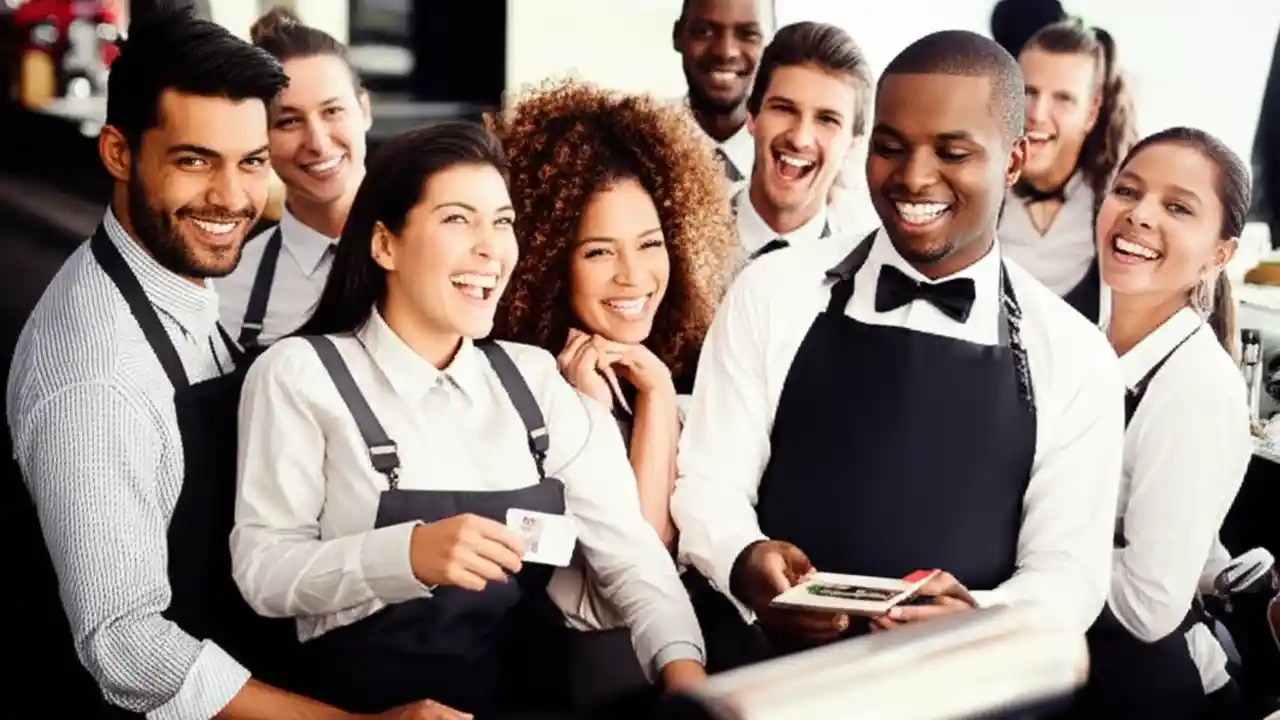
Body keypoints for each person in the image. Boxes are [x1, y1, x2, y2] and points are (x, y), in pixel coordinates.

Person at [671, 30, 1124, 670]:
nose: (913, 177)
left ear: (1013, 160)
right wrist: (743, 560)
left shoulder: (1076, 355)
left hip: (962, 690)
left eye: (953, 153)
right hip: (771, 679)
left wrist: (980, 620)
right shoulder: (772, 291)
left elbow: (1070, 572)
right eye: (889, 148)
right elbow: (709, 481)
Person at [231, 121, 707, 718]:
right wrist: (406, 554)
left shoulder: (534, 381)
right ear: (384, 245)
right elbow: (263, 573)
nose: (491, 249)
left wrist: (686, 675)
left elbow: (632, 555)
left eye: (502, 222)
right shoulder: (300, 375)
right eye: (458, 219)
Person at [3, 8, 396, 718]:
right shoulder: (99, 378)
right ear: (119, 153)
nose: (232, 198)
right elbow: (126, 646)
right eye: (194, 161)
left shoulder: (178, 283)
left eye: (251, 162)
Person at [492, 79, 734, 547]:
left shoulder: (694, 371)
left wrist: (658, 392)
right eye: (600, 252)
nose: (633, 275)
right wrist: (595, 415)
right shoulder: (516, 389)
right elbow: (635, 553)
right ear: (549, 264)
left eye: (650, 244)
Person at [1071, 127, 1252, 718]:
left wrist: (1029, 559)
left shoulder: (1196, 386)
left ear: (1219, 254)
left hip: (1148, 690)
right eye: (1128, 191)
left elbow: (1149, 607)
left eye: (1178, 207)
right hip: (1073, 668)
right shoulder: (1083, 349)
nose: (1140, 215)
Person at [217, 6, 371, 355]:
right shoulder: (227, 287)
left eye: (333, 111)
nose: (317, 143)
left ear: (364, 111)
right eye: (289, 121)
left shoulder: (435, 250)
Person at [999, 20, 1136, 323]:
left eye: (1063, 99)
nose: (1037, 114)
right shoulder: (978, 192)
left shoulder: (1113, 211)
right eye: (1028, 92)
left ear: (1091, 113)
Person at [730, 21, 871, 263]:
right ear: (752, 116)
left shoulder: (867, 264)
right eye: (784, 109)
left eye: (827, 119)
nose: (799, 139)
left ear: (853, 143)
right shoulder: (676, 237)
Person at [672, 0, 775, 188]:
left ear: (771, 44)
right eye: (704, 32)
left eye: (749, 34)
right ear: (677, 36)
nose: (726, 52)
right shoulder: (633, 148)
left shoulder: (793, 159)